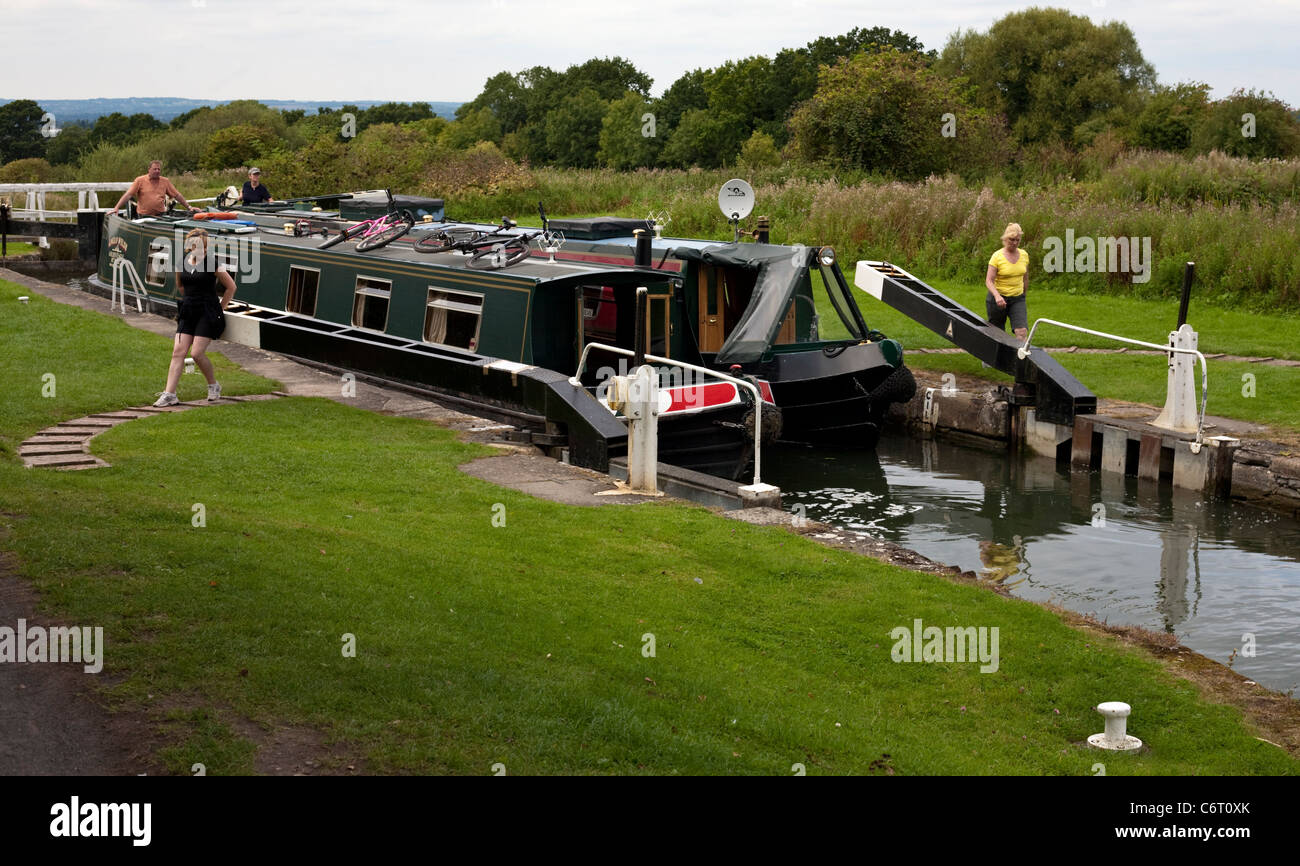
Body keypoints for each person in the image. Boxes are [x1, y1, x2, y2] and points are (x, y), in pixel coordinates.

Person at [153, 228, 236, 407]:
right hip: (188, 311)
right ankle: (170, 394)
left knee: (197, 353)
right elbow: (180, 286)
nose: (203, 251)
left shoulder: (212, 263)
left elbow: (231, 287)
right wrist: (190, 300)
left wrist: (219, 309)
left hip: (207, 312)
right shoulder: (181, 262)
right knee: (178, 352)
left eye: (205, 247)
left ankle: (213, 385)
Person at [986, 222, 1029, 341]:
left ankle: (1019, 359)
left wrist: (1023, 294)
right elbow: (989, 281)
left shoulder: (1024, 255)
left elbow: (1025, 277)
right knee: (997, 333)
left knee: (1022, 331)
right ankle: (992, 359)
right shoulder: (997, 256)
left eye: (1017, 240)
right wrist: (997, 296)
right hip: (998, 299)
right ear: (1005, 238)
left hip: (1017, 298)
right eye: (1011, 239)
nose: (1014, 243)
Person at [110, 160, 190, 217]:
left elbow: (177, 195)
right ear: (149, 169)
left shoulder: (165, 181)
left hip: (161, 216)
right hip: (143, 217)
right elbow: (128, 195)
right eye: (155, 169)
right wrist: (116, 208)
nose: (157, 171)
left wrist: (189, 207)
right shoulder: (140, 180)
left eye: (159, 169)